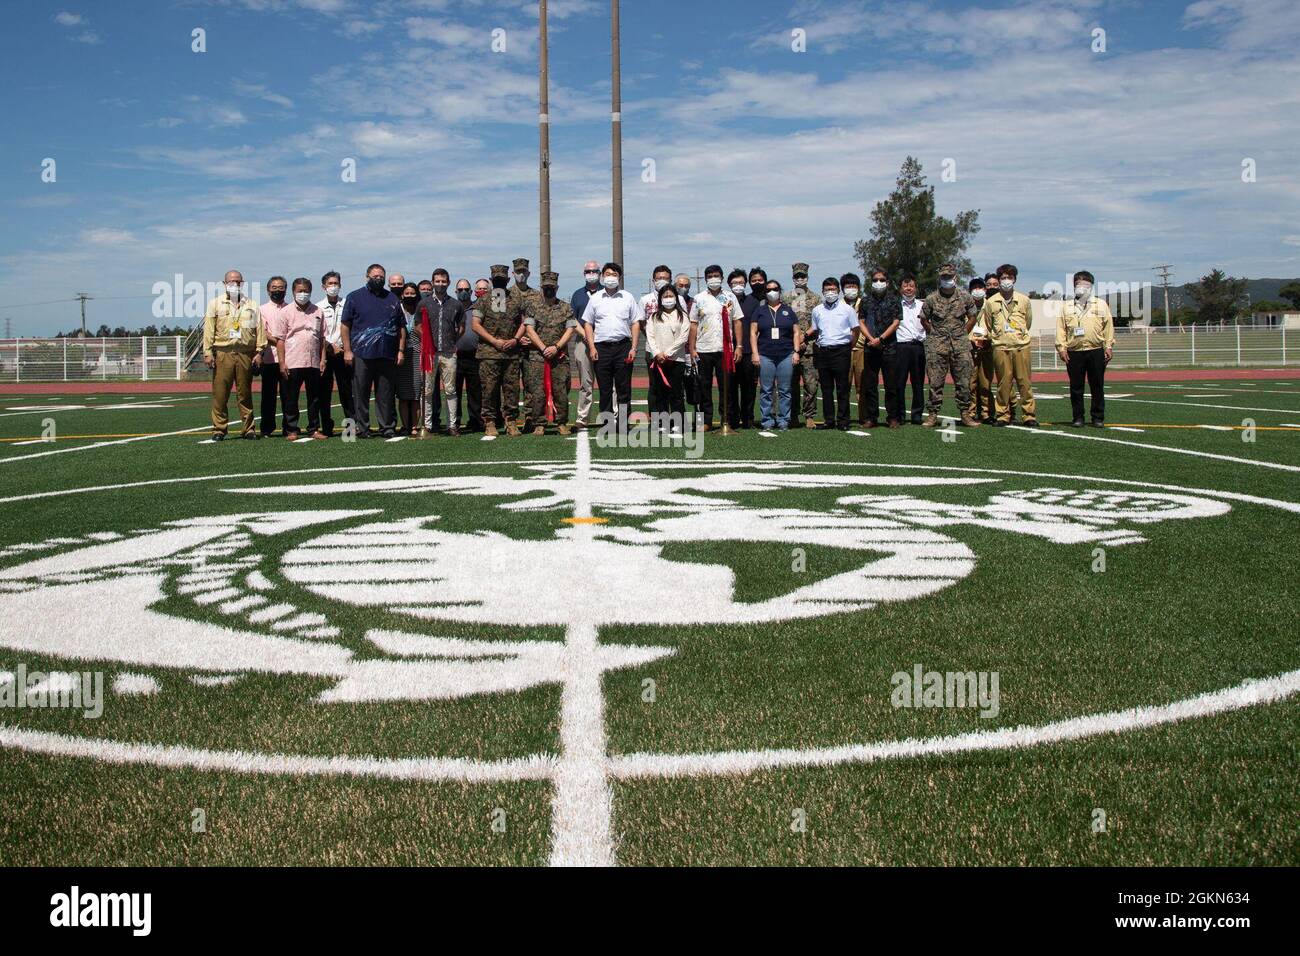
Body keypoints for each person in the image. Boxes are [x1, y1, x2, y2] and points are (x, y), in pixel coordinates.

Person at [341, 263, 406, 439]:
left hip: (387, 354)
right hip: (362, 354)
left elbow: (401, 328)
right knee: (360, 393)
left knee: (385, 394)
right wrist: (347, 350)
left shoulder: (392, 299)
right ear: (367, 277)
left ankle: (387, 427)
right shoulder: (354, 297)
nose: (378, 279)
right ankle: (362, 428)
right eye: (375, 276)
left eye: (381, 277)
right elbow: (345, 325)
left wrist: (400, 350)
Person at [202, 270, 265, 440]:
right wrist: (207, 352)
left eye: (237, 281)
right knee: (220, 393)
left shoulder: (251, 305)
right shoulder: (215, 304)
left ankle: (248, 429)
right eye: (231, 281)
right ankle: (219, 429)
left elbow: (259, 330)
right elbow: (208, 329)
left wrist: (259, 351)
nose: (234, 284)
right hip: (223, 353)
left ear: (242, 283)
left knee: (244, 394)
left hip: (245, 353)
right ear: (224, 284)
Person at [579, 261, 642, 431]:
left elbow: (636, 323)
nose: (611, 278)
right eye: (607, 274)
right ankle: (607, 424)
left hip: (623, 347)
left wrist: (633, 348)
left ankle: (623, 423)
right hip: (601, 348)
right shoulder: (596, 298)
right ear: (602, 276)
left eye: (614, 274)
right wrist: (592, 347)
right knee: (605, 390)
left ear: (620, 278)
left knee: (623, 389)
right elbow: (587, 324)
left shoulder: (628, 297)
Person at [919, 263, 981, 428]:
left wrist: (963, 332)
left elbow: (972, 316)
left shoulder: (965, 297)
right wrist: (933, 333)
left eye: (949, 277)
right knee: (935, 382)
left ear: (955, 277)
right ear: (940, 278)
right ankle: (932, 415)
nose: (947, 280)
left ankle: (965, 414)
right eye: (944, 277)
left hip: (960, 345)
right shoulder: (932, 298)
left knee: (964, 382)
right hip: (937, 346)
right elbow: (924, 318)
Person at [268, 277, 327, 441]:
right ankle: (291, 429)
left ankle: (313, 428)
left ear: (311, 291)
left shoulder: (318, 311)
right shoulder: (285, 312)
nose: (303, 294)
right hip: (293, 361)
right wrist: (282, 363)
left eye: (306, 291)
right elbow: (280, 340)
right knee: (291, 397)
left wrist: (323, 360)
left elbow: (322, 338)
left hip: (313, 361)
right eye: (300, 291)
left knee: (314, 398)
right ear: (293, 292)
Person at [473, 264, 526, 437]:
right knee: (489, 389)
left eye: (502, 280)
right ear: (491, 281)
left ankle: (510, 422)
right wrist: (494, 341)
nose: (499, 283)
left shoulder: (516, 300)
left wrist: (515, 339)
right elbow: (475, 325)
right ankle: (490, 422)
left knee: (511, 389)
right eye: (496, 280)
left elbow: (524, 323)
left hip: (510, 353)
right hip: (489, 353)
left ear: (508, 280)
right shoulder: (483, 300)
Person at [1056, 270, 1114, 427]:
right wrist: (1061, 348)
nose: (1081, 287)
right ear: (1073, 286)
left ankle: (1097, 417)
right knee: (1076, 387)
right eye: (1077, 284)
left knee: (1097, 385)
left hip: (1095, 350)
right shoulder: (1066, 306)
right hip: (1074, 352)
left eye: (1085, 284)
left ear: (1091, 286)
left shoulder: (1100, 304)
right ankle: (1078, 417)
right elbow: (1061, 329)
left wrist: (1109, 346)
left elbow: (1108, 326)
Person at [523, 270, 577, 436]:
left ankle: (561, 423)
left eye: (551, 287)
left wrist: (556, 347)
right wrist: (543, 348)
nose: (549, 289)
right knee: (537, 391)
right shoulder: (532, 307)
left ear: (557, 287)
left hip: (559, 357)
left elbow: (570, 329)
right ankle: (540, 423)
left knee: (561, 389)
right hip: (537, 357)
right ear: (541, 287)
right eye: (546, 287)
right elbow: (529, 329)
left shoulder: (566, 308)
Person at [687, 264, 740, 432]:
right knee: (703, 387)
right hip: (703, 349)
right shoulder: (699, 298)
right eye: (710, 276)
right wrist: (692, 348)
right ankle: (705, 421)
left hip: (725, 350)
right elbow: (693, 324)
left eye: (716, 275)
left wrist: (739, 346)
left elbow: (737, 321)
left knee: (727, 387)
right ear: (705, 279)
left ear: (722, 278)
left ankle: (727, 420)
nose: (713, 279)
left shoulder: (730, 297)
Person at [982, 263, 1036, 427]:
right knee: (1003, 384)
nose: (1006, 281)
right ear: (999, 281)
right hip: (1001, 347)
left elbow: (1028, 322)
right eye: (1003, 278)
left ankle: (1029, 415)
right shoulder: (991, 302)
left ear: (1015, 279)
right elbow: (988, 324)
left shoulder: (1024, 300)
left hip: (1021, 346)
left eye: (1009, 278)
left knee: (1024, 383)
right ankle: (1003, 415)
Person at [749, 278, 802, 430]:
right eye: (768, 290)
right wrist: (755, 353)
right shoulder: (759, 311)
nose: (772, 292)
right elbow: (753, 333)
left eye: (775, 289)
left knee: (785, 390)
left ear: (780, 291)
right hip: (765, 355)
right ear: (765, 293)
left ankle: (784, 420)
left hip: (786, 355)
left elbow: (796, 332)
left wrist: (796, 352)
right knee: (766, 389)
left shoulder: (788, 310)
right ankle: (767, 420)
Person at [420, 268, 466, 436]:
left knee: (450, 389)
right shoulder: (424, 303)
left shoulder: (455, 304)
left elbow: (461, 326)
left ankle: (452, 425)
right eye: (437, 281)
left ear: (448, 282)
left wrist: (453, 340)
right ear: (433, 282)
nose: (440, 284)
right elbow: (418, 325)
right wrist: (427, 341)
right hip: (429, 353)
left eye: (443, 281)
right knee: (428, 389)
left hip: (448, 352)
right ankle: (428, 425)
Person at [809, 276, 858, 430]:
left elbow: (855, 330)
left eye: (833, 289)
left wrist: (850, 345)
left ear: (838, 291)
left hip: (841, 350)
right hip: (823, 352)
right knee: (826, 388)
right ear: (823, 292)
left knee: (843, 388)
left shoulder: (847, 309)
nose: (830, 292)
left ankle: (843, 421)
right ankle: (829, 420)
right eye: (827, 290)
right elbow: (815, 330)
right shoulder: (817, 310)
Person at [859, 268, 902, 428]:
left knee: (891, 384)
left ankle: (892, 417)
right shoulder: (866, 300)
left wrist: (881, 338)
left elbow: (896, 322)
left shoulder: (894, 299)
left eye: (882, 280)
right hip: (870, 347)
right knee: (870, 385)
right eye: (876, 280)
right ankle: (871, 417)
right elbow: (861, 321)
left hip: (889, 347)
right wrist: (871, 339)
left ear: (888, 282)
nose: (879, 283)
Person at [644, 280, 690, 430]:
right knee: (659, 392)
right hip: (658, 360)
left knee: (676, 392)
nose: (668, 298)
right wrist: (657, 353)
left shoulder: (682, 316)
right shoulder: (654, 317)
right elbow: (650, 336)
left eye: (671, 295)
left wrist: (668, 353)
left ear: (676, 298)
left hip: (676, 359)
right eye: (665, 296)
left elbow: (683, 337)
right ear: (660, 299)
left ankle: (678, 423)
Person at [784, 262, 822, 428]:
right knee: (790, 384)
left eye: (802, 276)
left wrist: (803, 338)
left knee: (811, 385)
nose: (800, 279)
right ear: (793, 278)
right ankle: (792, 415)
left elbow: (819, 323)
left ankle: (809, 416)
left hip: (810, 348)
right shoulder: (785, 298)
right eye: (797, 276)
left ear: (807, 278)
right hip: (790, 349)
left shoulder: (816, 299)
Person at [316, 270, 352, 437]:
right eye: (330, 284)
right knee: (324, 393)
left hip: (344, 353)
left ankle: (350, 427)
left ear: (340, 285)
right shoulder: (318, 307)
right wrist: (331, 347)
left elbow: (352, 327)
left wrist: (345, 348)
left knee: (347, 392)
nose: (333, 287)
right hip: (326, 354)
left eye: (336, 283)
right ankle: (327, 426)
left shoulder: (348, 304)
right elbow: (318, 333)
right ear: (324, 287)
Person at [568, 261, 601, 429]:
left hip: (603, 342)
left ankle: (612, 416)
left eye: (595, 271)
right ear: (584, 273)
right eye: (588, 271)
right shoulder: (577, 295)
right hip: (583, 342)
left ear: (600, 273)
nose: (591, 273)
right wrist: (586, 336)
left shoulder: (607, 292)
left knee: (609, 383)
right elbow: (572, 319)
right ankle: (582, 418)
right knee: (585, 384)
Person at [734, 267, 766, 429]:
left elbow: (758, 326)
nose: (738, 285)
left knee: (749, 388)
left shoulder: (753, 302)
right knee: (731, 387)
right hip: (729, 352)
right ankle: (732, 419)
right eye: (734, 283)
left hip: (748, 351)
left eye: (741, 282)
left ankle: (748, 419)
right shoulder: (725, 300)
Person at [258, 276, 290, 436]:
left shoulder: (291, 309)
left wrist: (282, 342)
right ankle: (266, 429)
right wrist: (281, 341)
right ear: (268, 289)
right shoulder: (261, 310)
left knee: (288, 396)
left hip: (288, 361)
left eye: (281, 287)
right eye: (274, 287)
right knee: (268, 397)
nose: (278, 290)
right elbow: (262, 333)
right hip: (269, 360)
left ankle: (289, 428)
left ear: (286, 289)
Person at [895, 274, 927, 424]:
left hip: (917, 347)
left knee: (918, 382)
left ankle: (917, 414)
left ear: (916, 288)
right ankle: (900, 415)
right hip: (901, 346)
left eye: (911, 286)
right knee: (899, 382)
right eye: (905, 286)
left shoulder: (923, 306)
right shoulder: (895, 305)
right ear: (900, 289)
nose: (908, 289)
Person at [456, 278, 486, 432]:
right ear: (456, 292)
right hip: (455, 357)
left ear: (471, 292)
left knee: (475, 391)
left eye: (466, 290)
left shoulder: (478, 308)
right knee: (454, 392)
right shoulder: (452, 308)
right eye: (460, 290)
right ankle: (455, 421)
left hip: (475, 356)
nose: (463, 292)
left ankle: (475, 420)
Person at [968, 274, 998, 424]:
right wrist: (970, 341)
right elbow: (961, 327)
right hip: (970, 349)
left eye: (980, 287)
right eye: (974, 288)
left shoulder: (991, 305)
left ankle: (986, 413)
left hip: (987, 347)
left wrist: (988, 339)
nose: (977, 290)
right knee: (971, 383)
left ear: (985, 289)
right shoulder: (964, 306)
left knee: (986, 382)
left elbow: (996, 326)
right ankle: (971, 411)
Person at [395, 282, 424, 435]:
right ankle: (405, 426)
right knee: (403, 394)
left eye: (413, 293)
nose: (410, 296)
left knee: (415, 393)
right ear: (402, 295)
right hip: (401, 355)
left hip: (418, 353)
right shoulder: (397, 310)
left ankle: (414, 426)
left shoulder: (421, 309)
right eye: (407, 293)